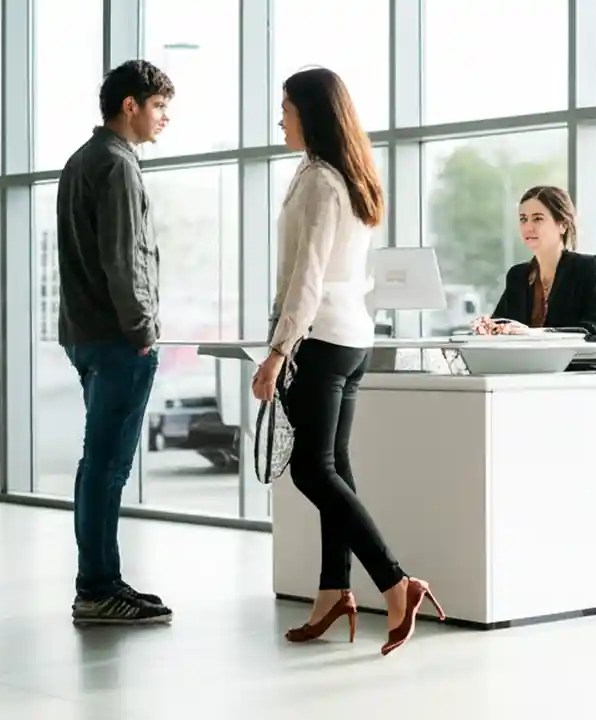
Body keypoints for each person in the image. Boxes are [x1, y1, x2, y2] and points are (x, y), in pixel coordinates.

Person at [251, 67, 443, 656]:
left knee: (312, 471)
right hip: (350, 337)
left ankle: (394, 580)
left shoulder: (318, 183)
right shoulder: (344, 177)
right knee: (334, 467)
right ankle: (334, 591)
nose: (279, 117)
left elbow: (306, 277)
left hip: (321, 342)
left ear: (312, 112)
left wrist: (278, 351)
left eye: (286, 107)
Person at [57, 60, 174, 625]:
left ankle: (101, 580)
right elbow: (124, 259)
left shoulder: (80, 160)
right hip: (117, 339)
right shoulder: (118, 166)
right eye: (158, 106)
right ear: (130, 105)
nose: (164, 118)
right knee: (106, 468)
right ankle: (97, 587)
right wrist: (143, 331)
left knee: (96, 464)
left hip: (86, 336)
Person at [470, 186, 596, 338]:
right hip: (526, 362)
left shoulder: (588, 268)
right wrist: (490, 328)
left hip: (574, 361)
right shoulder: (518, 275)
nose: (528, 227)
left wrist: (536, 333)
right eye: (523, 219)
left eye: (538, 219)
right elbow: (503, 323)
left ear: (563, 225)